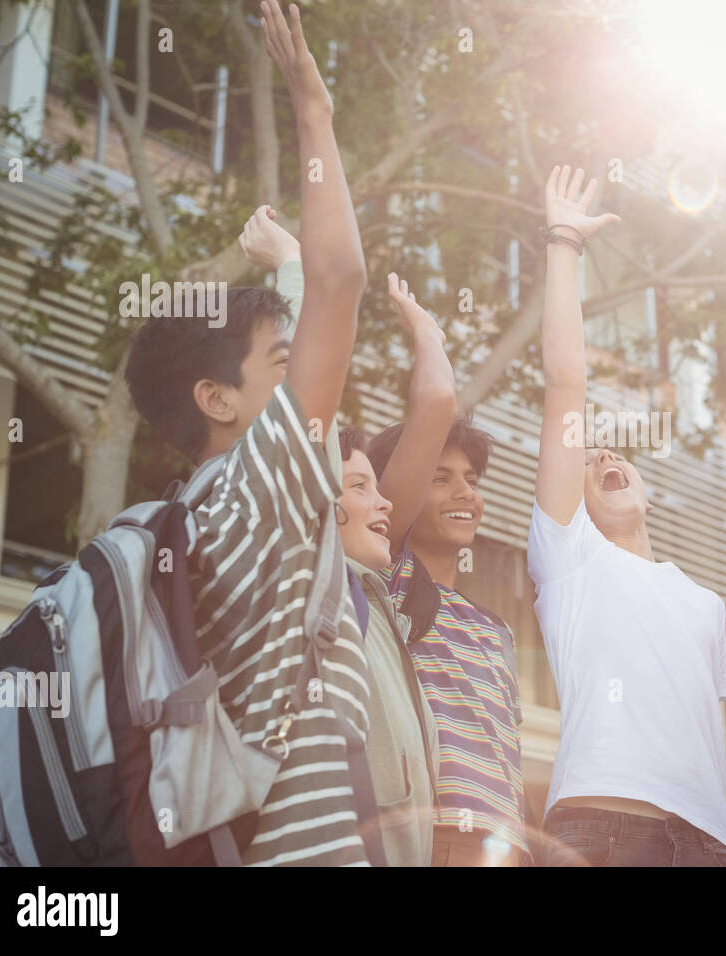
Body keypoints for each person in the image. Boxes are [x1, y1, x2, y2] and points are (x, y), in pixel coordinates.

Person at [124, 0, 375, 865]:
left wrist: (291, 270)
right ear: (216, 400)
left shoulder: (196, 517)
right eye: (278, 363)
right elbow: (345, 283)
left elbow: (319, 313)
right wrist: (313, 109)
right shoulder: (256, 493)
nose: (304, 377)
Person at [529, 165, 726, 866]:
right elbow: (567, 382)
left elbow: (711, 741)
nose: (602, 457)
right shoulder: (571, 559)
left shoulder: (706, 604)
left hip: (709, 842)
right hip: (605, 832)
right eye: (586, 460)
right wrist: (565, 242)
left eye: (614, 453)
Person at [239, 207, 445, 866]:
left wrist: (431, 334)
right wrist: (293, 268)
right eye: (357, 486)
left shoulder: (379, 605)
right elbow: (300, 412)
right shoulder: (310, 579)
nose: (384, 502)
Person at [367, 414, 530, 866]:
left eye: (472, 480)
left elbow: (507, 752)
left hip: (504, 847)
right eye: (440, 478)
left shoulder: (497, 630)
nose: (466, 494)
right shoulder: (389, 588)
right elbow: (432, 406)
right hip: (436, 836)